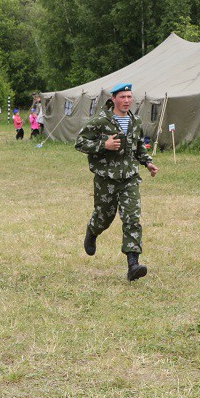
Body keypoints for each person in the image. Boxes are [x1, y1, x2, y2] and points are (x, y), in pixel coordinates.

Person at [75, 83, 158, 281]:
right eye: (123, 97)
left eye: (129, 97)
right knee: (105, 216)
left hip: (129, 178)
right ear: (113, 99)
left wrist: (147, 162)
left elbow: (138, 145)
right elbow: (80, 142)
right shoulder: (100, 121)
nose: (127, 100)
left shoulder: (136, 121)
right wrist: (105, 145)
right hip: (106, 179)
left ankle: (133, 265)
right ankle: (93, 231)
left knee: (132, 218)